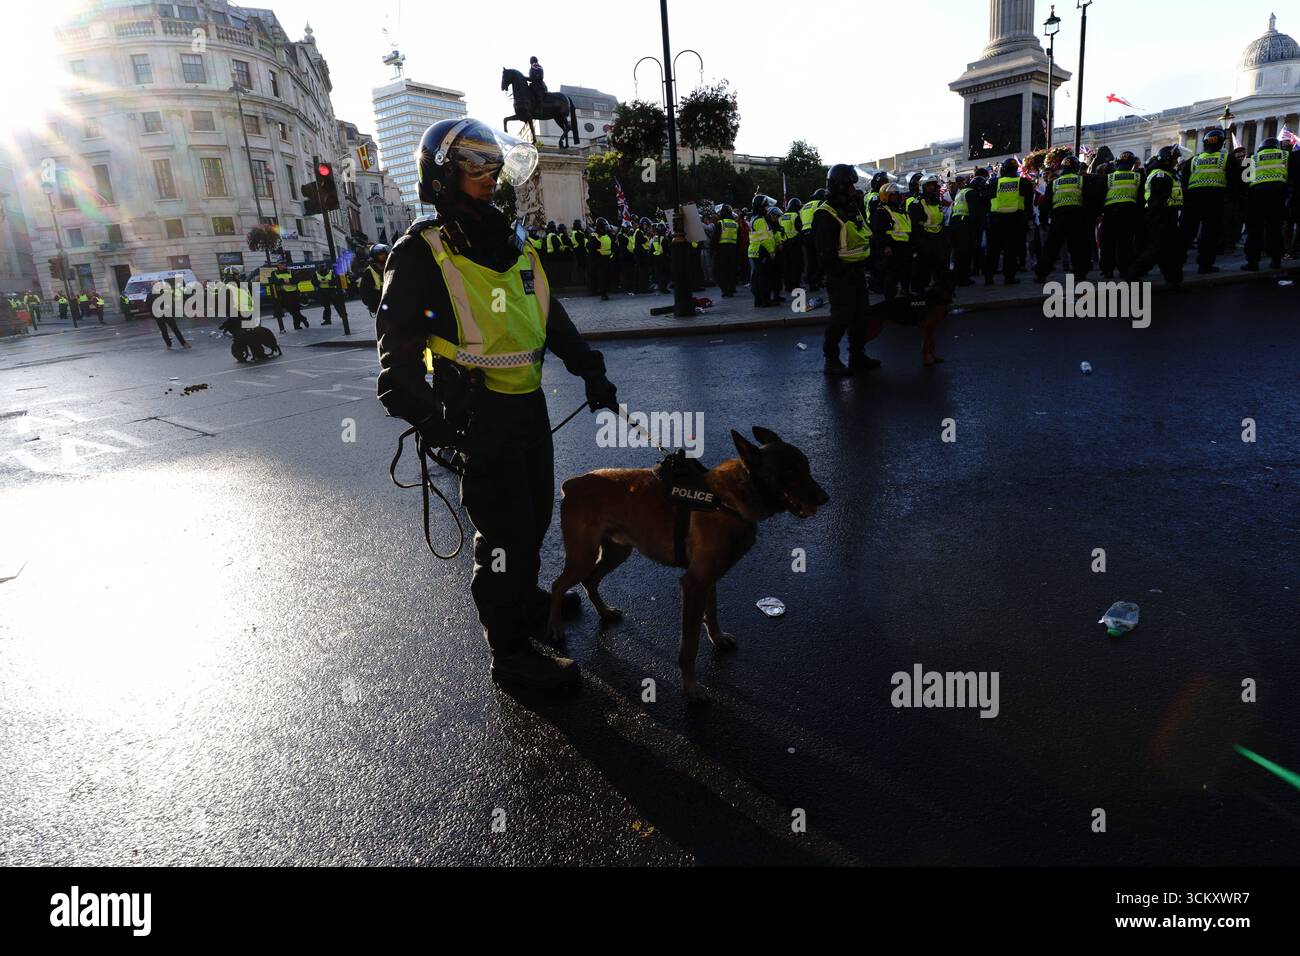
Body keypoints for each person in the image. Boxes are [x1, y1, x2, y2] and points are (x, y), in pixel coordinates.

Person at [375, 117, 618, 692]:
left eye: (492, 164)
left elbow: (549, 316)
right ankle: (510, 655)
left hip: (529, 408)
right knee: (502, 539)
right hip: (480, 417)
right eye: (473, 166)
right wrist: (440, 422)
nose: (489, 175)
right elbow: (396, 364)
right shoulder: (419, 254)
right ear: (441, 177)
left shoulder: (514, 241)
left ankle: (526, 604)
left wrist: (590, 370)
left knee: (533, 519)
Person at [815, 164, 877, 377]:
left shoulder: (852, 207)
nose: (854, 188)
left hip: (857, 270)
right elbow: (825, 252)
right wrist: (840, 271)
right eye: (851, 184)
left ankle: (857, 356)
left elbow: (863, 234)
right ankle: (831, 359)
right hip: (840, 274)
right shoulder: (825, 213)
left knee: (861, 316)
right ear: (841, 185)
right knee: (840, 318)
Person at [1181, 128, 1239, 274]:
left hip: (1192, 200)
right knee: (1210, 235)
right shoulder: (1228, 159)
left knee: (1186, 234)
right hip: (1215, 200)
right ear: (1220, 143)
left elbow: (1184, 182)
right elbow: (1234, 183)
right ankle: (1205, 265)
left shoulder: (1192, 160)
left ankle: (1176, 264)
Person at [1129, 145, 1185, 288]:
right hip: (1161, 216)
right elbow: (1157, 200)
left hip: (1166, 215)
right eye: (1174, 159)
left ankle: (1173, 279)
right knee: (1156, 249)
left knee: (1168, 249)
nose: (1176, 162)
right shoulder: (1161, 175)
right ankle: (1133, 275)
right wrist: (1160, 220)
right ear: (1167, 159)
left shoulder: (1166, 173)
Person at [1035, 155, 1092, 283]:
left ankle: (1041, 274)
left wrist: (1043, 220)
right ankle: (1080, 273)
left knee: (1051, 247)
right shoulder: (1081, 180)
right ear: (1076, 167)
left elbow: (1045, 204)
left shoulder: (1054, 183)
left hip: (1058, 218)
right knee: (1078, 247)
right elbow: (1088, 201)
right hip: (1076, 217)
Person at [1243, 137, 1289, 271]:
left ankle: (1252, 262)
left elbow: (1244, 179)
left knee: (1254, 231)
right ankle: (1276, 260)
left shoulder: (1252, 157)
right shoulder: (1286, 155)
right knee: (1275, 229)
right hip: (1278, 196)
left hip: (1256, 197)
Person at [984, 158, 1032, 285]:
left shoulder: (993, 182)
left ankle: (988, 277)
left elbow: (985, 201)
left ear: (1003, 169)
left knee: (993, 250)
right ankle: (1009, 276)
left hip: (996, 221)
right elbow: (1028, 204)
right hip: (1015, 221)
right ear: (1016, 169)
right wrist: (1028, 219)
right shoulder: (1024, 182)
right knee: (1010, 251)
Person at [1099, 153, 1143, 279]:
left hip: (1110, 214)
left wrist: (1100, 212)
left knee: (1107, 243)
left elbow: (1100, 196)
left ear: (1117, 164)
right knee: (1125, 244)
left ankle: (1107, 270)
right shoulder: (1138, 177)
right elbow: (1141, 198)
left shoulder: (1108, 177)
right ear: (1132, 164)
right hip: (1129, 214)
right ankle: (1124, 270)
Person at [870, 182, 912, 300]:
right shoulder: (881, 211)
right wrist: (885, 246)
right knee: (892, 275)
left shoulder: (900, 210)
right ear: (886, 196)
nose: (897, 197)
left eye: (897, 195)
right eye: (893, 195)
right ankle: (890, 298)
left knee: (906, 271)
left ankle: (905, 291)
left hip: (905, 246)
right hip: (892, 246)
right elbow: (878, 231)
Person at [908, 174, 949, 293]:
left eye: (933, 185)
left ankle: (939, 288)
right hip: (923, 238)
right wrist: (919, 242)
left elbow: (940, 219)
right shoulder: (916, 203)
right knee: (922, 267)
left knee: (939, 265)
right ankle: (918, 291)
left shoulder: (936, 201)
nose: (931, 188)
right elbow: (914, 224)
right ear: (922, 187)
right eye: (928, 185)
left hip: (937, 237)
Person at [747, 195, 777, 307]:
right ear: (761, 207)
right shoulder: (759, 220)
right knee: (764, 278)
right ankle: (765, 300)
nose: (767, 208)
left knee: (757, 277)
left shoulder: (754, 218)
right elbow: (764, 238)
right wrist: (771, 251)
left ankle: (759, 300)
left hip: (756, 251)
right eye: (765, 206)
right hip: (762, 251)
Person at [948, 174, 978, 286]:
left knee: (959, 253)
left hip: (956, 223)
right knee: (965, 253)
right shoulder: (970, 192)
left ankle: (959, 277)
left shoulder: (960, 193)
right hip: (964, 224)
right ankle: (963, 278)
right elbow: (974, 213)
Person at [147, 280, 190, 349]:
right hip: (160, 315)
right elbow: (149, 307)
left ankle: (182, 343)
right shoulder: (151, 295)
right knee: (166, 330)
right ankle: (170, 344)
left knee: (173, 329)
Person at [799, 188, 828, 291]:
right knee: (819, 257)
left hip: (805, 235)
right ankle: (818, 280)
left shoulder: (804, 206)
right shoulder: (819, 203)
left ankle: (812, 283)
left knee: (810, 260)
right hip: (815, 233)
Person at [274, 260, 309, 328]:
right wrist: (285, 281)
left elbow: (297, 279)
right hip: (284, 294)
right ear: (278, 266)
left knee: (296, 310)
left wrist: (289, 281)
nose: (283, 266)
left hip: (294, 293)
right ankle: (303, 319)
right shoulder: (275, 273)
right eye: (281, 264)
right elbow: (275, 281)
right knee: (291, 311)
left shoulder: (290, 271)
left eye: (283, 264)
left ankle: (297, 325)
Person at [779, 199, 803, 292]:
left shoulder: (782, 216)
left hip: (784, 243)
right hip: (794, 244)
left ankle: (788, 286)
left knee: (786, 266)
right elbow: (800, 229)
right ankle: (796, 286)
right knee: (796, 265)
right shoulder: (795, 216)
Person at [715, 205, 739, 297]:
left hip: (722, 249)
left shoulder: (720, 223)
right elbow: (739, 238)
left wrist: (713, 249)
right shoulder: (735, 224)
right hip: (733, 249)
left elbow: (716, 237)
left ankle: (725, 290)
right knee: (731, 270)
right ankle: (732, 288)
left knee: (722, 271)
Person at [358, 244, 389, 314]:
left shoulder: (389, 268)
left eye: (384, 253)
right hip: (379, 305)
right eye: (380, 254)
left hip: (392, 302)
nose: (383, 256)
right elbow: (365, 292)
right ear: (375, 256)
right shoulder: (369, 271)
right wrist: (372, 305)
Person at [588, 217, 614, 299]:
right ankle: (603, 293)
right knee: (602, 277)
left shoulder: (606, 235)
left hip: (607, 259)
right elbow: (592, 249)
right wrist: (597, 259)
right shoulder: (594, 236)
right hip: (600, 260)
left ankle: (606, 291)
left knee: (607, 277)